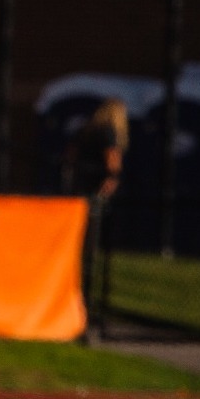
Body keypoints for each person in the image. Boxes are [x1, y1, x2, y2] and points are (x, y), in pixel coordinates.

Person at [61, 97, 128, 338]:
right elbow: (113, 166)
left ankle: (75, 300)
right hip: (92, 199)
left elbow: (69, 156)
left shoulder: (85, 130)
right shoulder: (109, 133)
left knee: (77, 250)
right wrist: (106, 191)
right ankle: (86, 307)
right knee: (90, 253)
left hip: (77, 197)